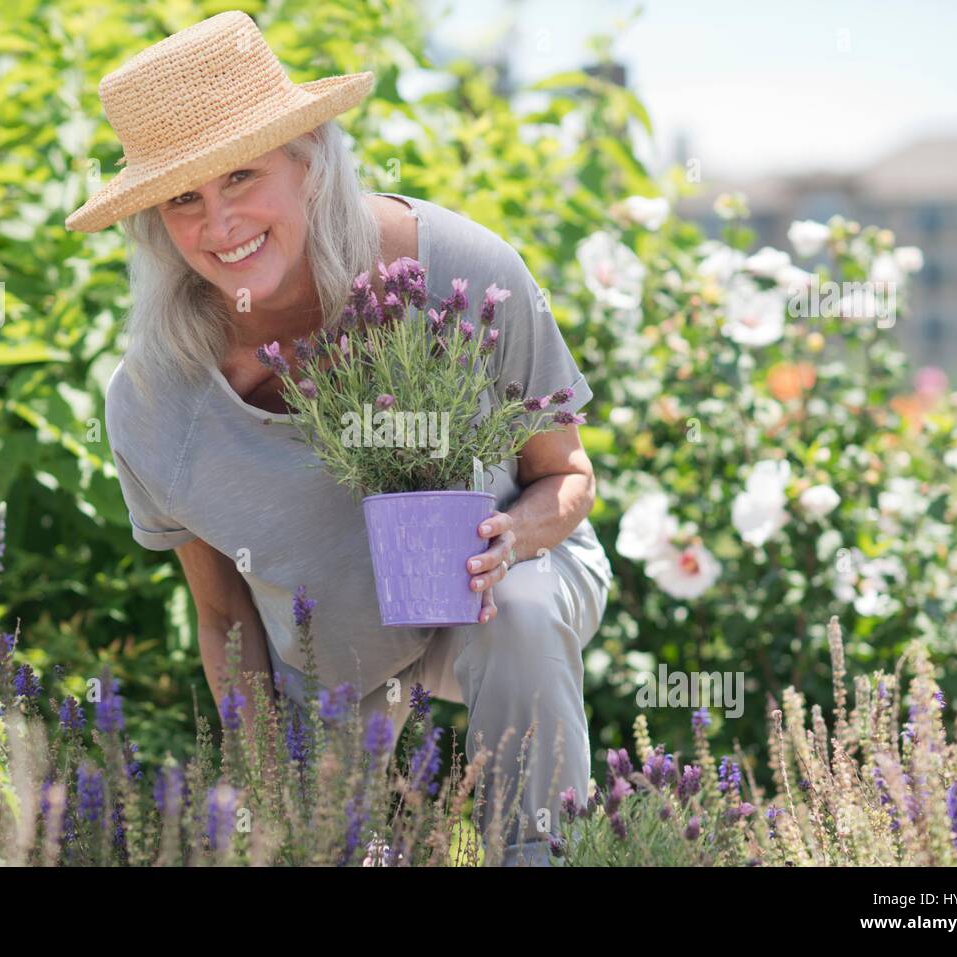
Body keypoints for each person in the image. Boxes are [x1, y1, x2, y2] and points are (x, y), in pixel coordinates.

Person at [66, 10, 613, 866]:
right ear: (154, 221)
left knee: (518, 609)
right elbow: (224, 614)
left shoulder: (457, 274)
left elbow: (566, 474)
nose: (219, 225)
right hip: (333, 653)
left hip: (497, 580)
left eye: (240, 175)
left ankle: (542, 854)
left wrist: (516, 538)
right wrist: (265, 787)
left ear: (309, 158)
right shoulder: (155, 404)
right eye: (184, 198)